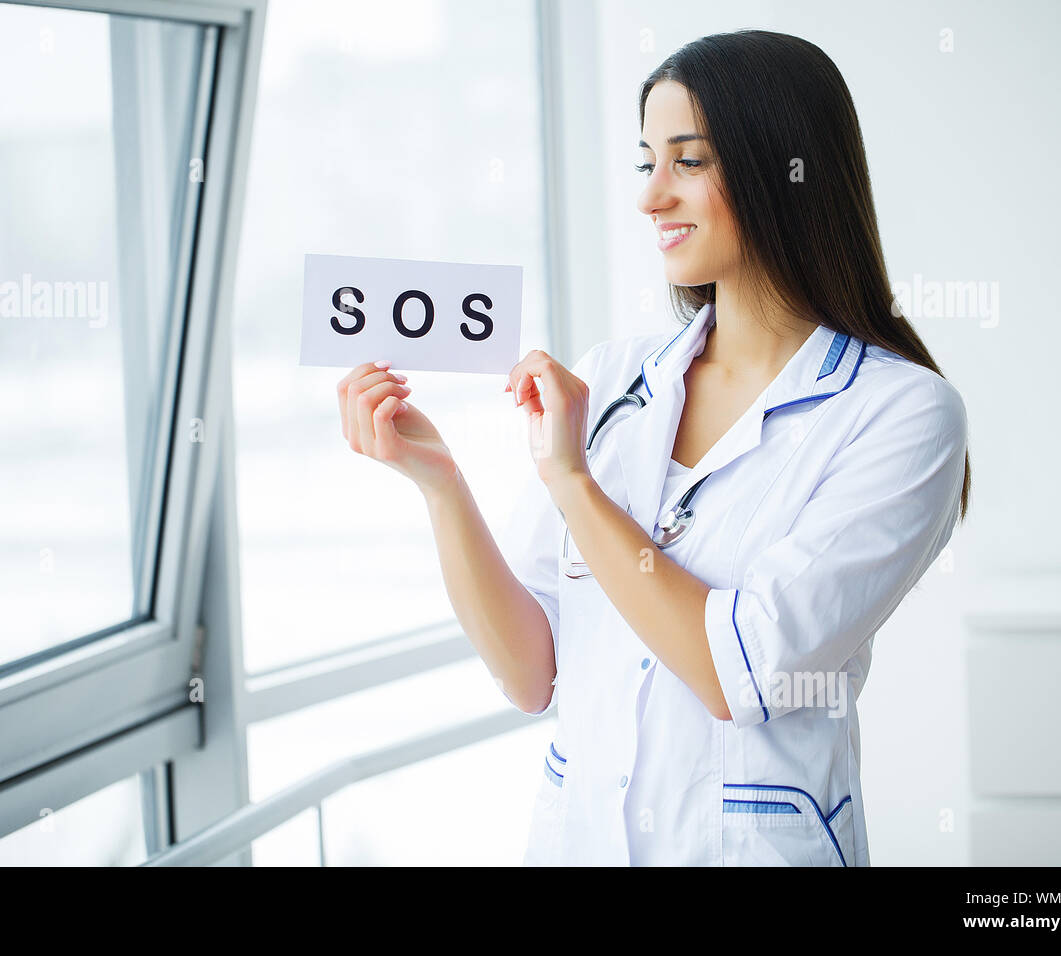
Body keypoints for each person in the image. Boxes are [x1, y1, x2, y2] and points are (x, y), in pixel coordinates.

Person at [334, 30, 971, 866]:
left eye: (689, 162)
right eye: (646, 164)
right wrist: (440, 482)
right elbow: (530, 673)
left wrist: (571, 480)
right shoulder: (617, 379)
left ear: (786, 169)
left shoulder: (902, 415)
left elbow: (733, 671)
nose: (651, 199)